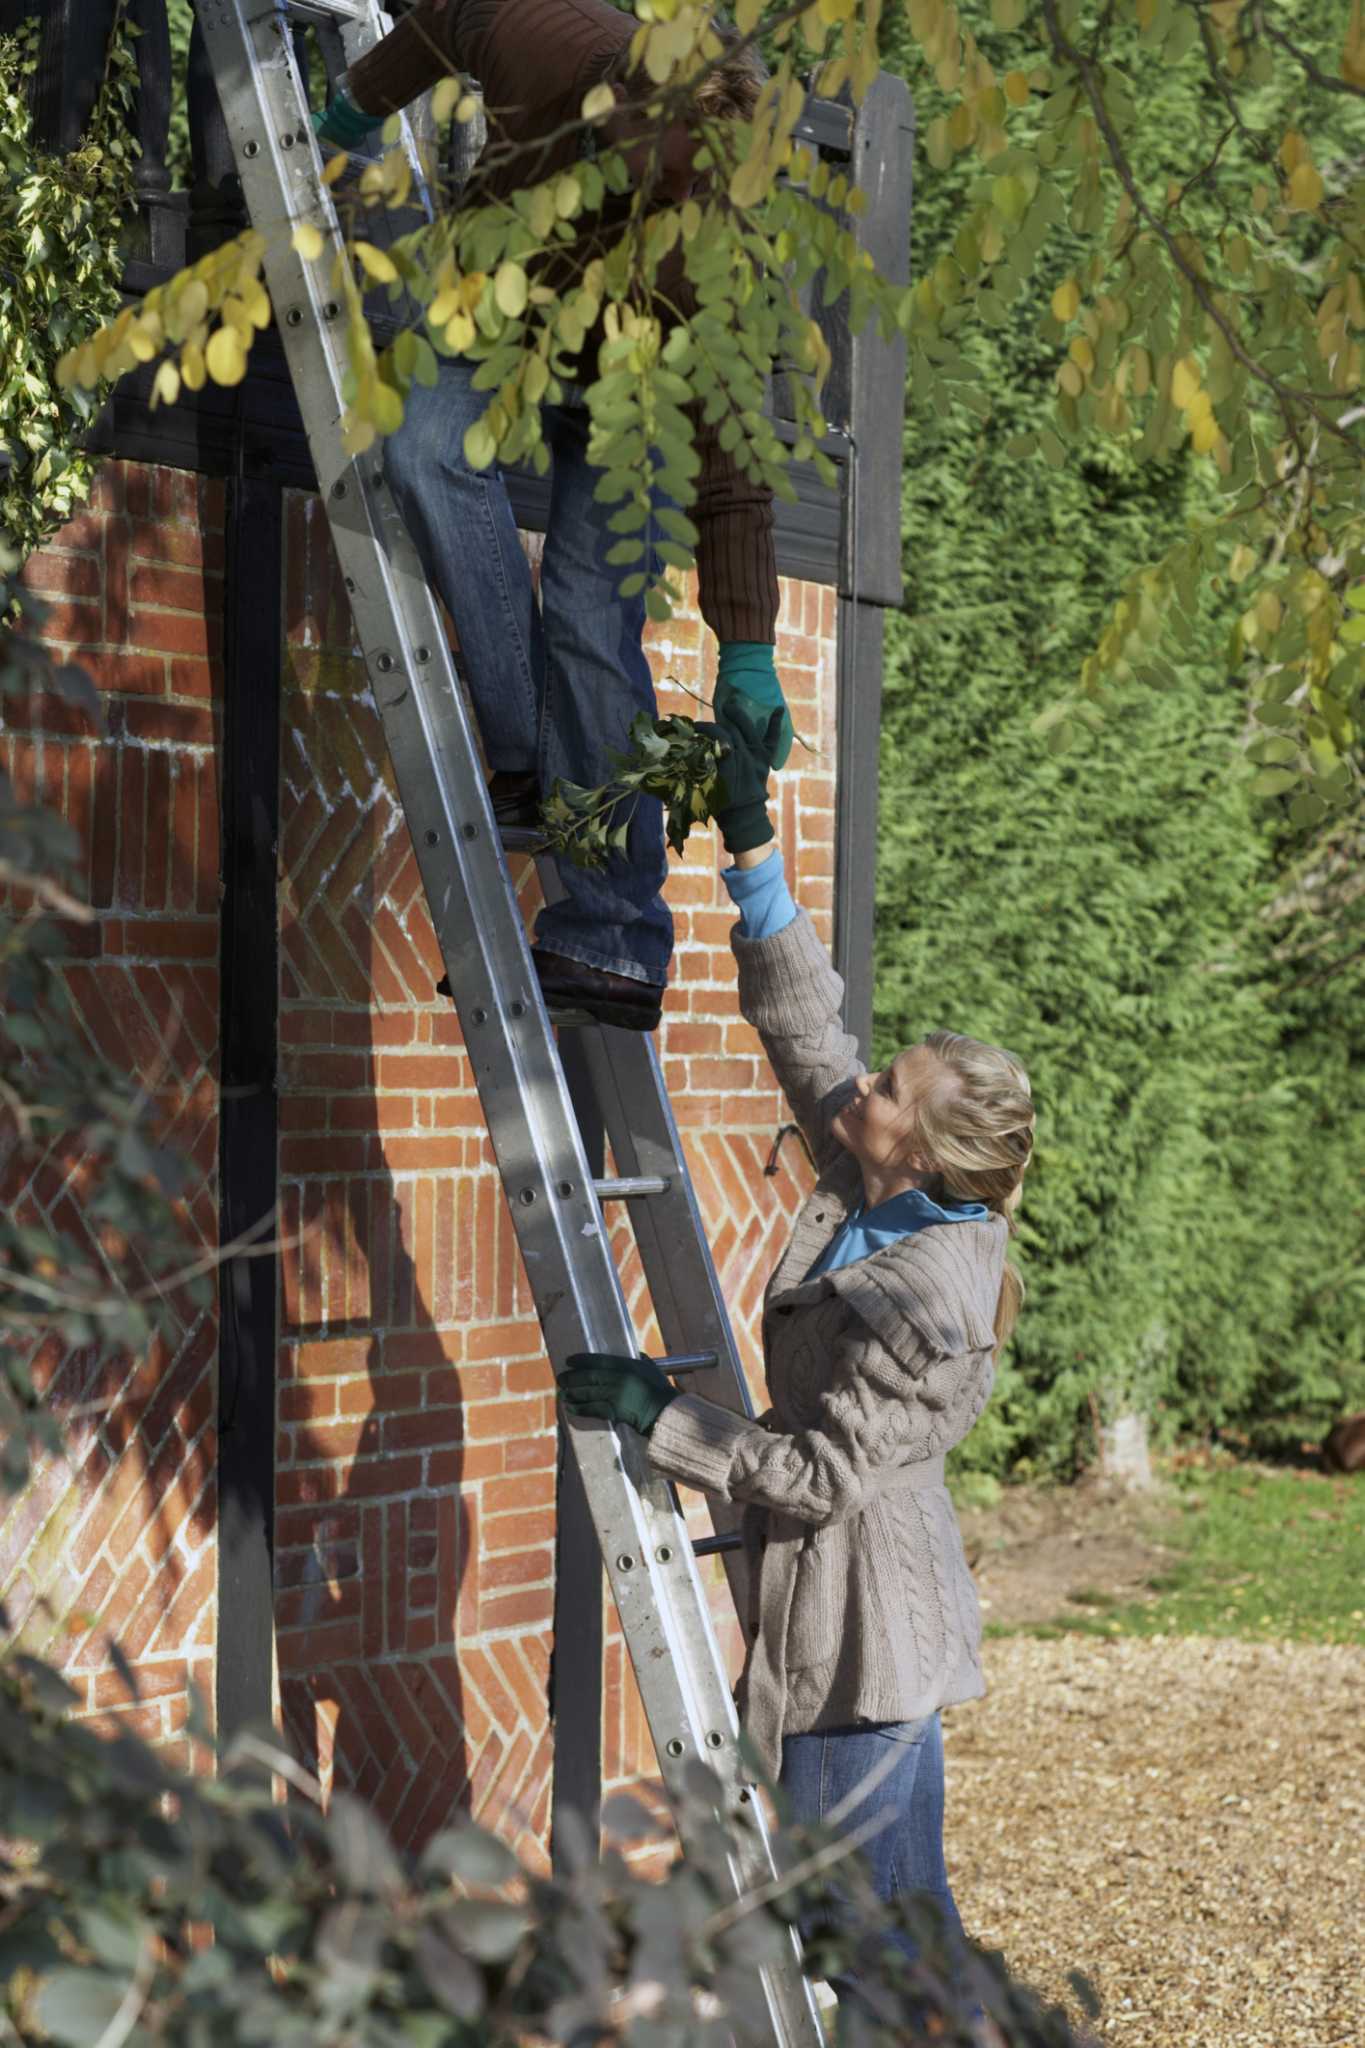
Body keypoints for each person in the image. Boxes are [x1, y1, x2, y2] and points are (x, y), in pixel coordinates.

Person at [558, 701, 1036, 2030]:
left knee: (868, 1947)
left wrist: (663, 1416)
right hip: (857, 1621)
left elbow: (817, 1478)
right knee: (899, 1937)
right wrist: (753, 848)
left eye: (888, 1089)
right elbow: (809, 1032)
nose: (863, 1087)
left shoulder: (926, 1293)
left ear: (918, 1147)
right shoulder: (890, 1181)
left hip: (857, 1645)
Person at [312, 0, 792, 1032]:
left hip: (640, 388)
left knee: (587, 616)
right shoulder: (545, 38)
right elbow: (450, 14)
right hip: (505, 300)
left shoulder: (718, 241)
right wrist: (359, 103)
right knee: (425, 448)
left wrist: (749, 649)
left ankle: (614, 939)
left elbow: (732, 461)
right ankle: (530, 760)